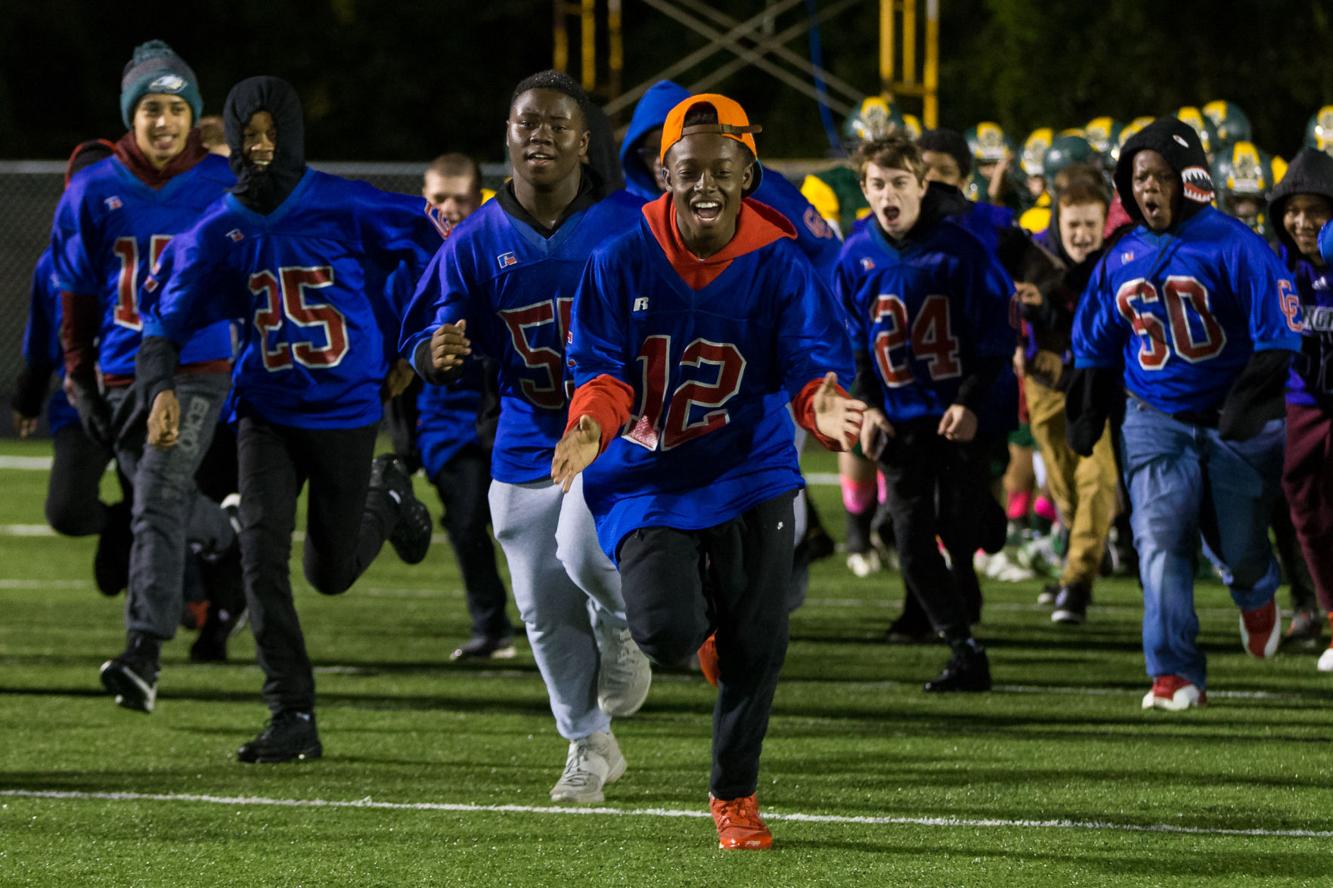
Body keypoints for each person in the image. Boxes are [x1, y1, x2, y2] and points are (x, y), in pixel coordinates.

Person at [552, 92, 861, 849]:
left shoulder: (777, 259)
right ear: (664, 173)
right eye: (688, 170)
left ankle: (735, 797)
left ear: (746, 173)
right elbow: (599, 365)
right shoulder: (622, 257)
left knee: (760, 642)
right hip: (649, 475)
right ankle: (697, 640)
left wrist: (820, 403)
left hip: (749, 467)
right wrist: (590, 422)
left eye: (722, 169)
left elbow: (810, 355)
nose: (705, 185)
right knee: (665, 630)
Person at [136, 75, 438, 762]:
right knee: (259, 558)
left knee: (328, 572)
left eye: (274, 132)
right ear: (234, 139)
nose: (263, 145)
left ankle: (385, 499)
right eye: (250, 133)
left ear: (294, 134)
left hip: (345, 410)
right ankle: (291, 713)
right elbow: (163, 318)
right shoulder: (218, 228)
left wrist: (410, 345)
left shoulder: (345, 203)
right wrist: (159, 387)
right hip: (266, 413)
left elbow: (433, 255)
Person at [401, 70, 652, 802]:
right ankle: (588, 745)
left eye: (554, 123)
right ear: (506, 138)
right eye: (524, 123)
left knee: (583, 551)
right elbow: (426, 329)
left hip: (616, 429)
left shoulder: (632, 222)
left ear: (582, 141)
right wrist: (430, 354)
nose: (537, 134)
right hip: (525, 433)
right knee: (540, 610)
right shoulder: (476, 237)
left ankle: (620, 623)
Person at [1068, 117, 1302, 711]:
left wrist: (1246, 405)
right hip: (1154, 417)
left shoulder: (1236, 245)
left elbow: (1278, 336)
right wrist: (1087, 408)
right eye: (1140, 176)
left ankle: (1256, 590)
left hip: (1234, 419)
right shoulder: (1119, 257)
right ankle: (1173, 673)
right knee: (1161, 540)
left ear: (1189, 180)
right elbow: (1093, 342)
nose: (1149, 187)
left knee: (1243, 545)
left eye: (1162, 176)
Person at [50, 40, 241, 715]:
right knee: (149, 496)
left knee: (156, 493)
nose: (163, 121)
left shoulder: (224, 186)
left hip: (196, 367)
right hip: (121, 371)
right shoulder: (93, 189)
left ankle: (144, 652)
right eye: (151, 108)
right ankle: (229, 534)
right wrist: (77, 373)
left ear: (193, 117)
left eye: (176, 108)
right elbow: (72, 292)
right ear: (132, 116)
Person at [841, 135, 1013, 690]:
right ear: (863, 189)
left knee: (965, 527)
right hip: (900, 418)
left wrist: (968, 400)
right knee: (912, 542)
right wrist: (867, 405)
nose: (887, 194)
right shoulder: (855, 255)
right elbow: (852, 342)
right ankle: (964, 650)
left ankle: (989, 518)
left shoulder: (959, 250)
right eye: (876, 184)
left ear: (921, 185)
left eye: (898, 182)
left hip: (957, 414)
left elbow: (995, 334)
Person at [407, 153, 517, 661]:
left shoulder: (496, 248)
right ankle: (491, 626)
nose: (448, 208)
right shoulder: (408, 255)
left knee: (533, 528)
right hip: (445, 422)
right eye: (438, 198)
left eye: (459, 198)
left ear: (479, 200)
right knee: (468, 522)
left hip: (508, 415)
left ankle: (568, 625)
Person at [12, 139, 134, 597]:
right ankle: (119, 525)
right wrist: (27, 397)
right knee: (66, 511)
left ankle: (168, 615)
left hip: (137, 397)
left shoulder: (145, 247)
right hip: (78, 406)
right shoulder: (53, 263)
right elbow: (43, 341)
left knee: (159, 510)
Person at [1016, 171, 1119, 624]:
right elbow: (1008, 308)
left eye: (1089, 225)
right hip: (1047, 382)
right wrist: (1018, 340)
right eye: (1073, 225)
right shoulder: (1034, 253)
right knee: (1062, 483)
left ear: (1104, 223)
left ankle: (1076, 580)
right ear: (1058, 221)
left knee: (1097, 477)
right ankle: (1081, 558)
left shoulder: (1119, 255)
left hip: (1097, 382)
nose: (1081, 235)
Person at [1269, 148, 1333, 664]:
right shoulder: (1277, 264)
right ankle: (1328, 611)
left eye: (1316, 210)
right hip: (1301, 401)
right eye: (1294, 209)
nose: (1302, 221)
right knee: (1303, 507)